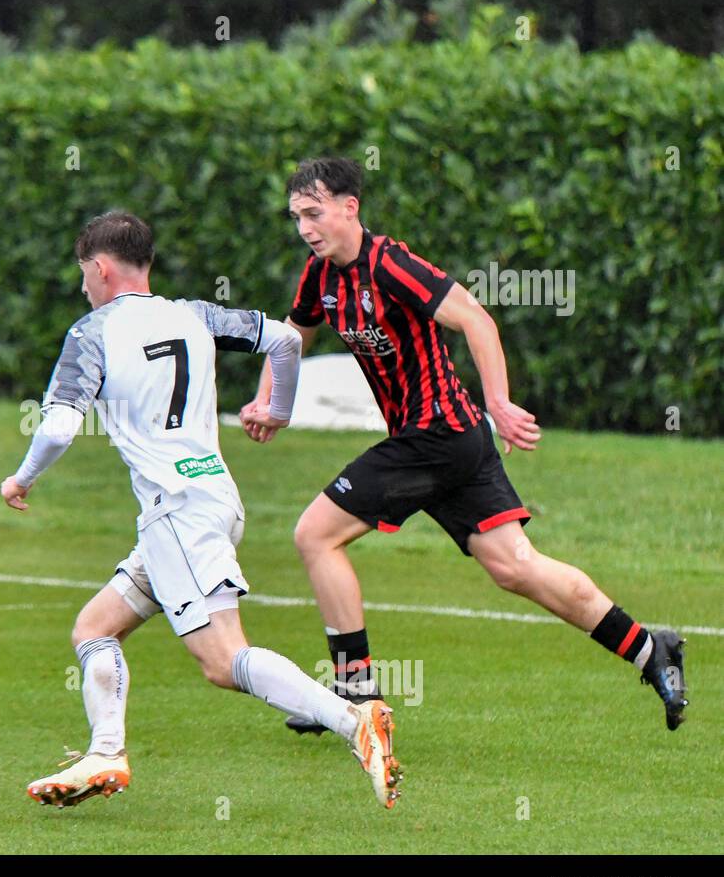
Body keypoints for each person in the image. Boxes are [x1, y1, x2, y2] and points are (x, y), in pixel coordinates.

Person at [240, 157, 687, 734]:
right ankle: (652, 650)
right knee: (515, 566)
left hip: (439, 435)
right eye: (297, 216)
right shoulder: (319, 276)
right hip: (451, 442)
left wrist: (499, 402)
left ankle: (354, 693)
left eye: (314, 213)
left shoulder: (393, 264)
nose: (305, 227)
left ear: (350, 208)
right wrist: (271, 403)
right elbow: (290, 335)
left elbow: (476, 318)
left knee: (314, 535)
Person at [1, 210, 403, 810]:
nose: (85, 285)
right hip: (211, 498)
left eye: (85, 273)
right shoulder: (192, 313)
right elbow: (286, 339)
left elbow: (58, 426)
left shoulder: (93, 332)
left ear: (101, 268)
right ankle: (106, 752)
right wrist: (279, 408)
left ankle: (353, 722)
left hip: (177, 512)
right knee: (94, 628)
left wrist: (22, 477)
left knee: (222, 659)